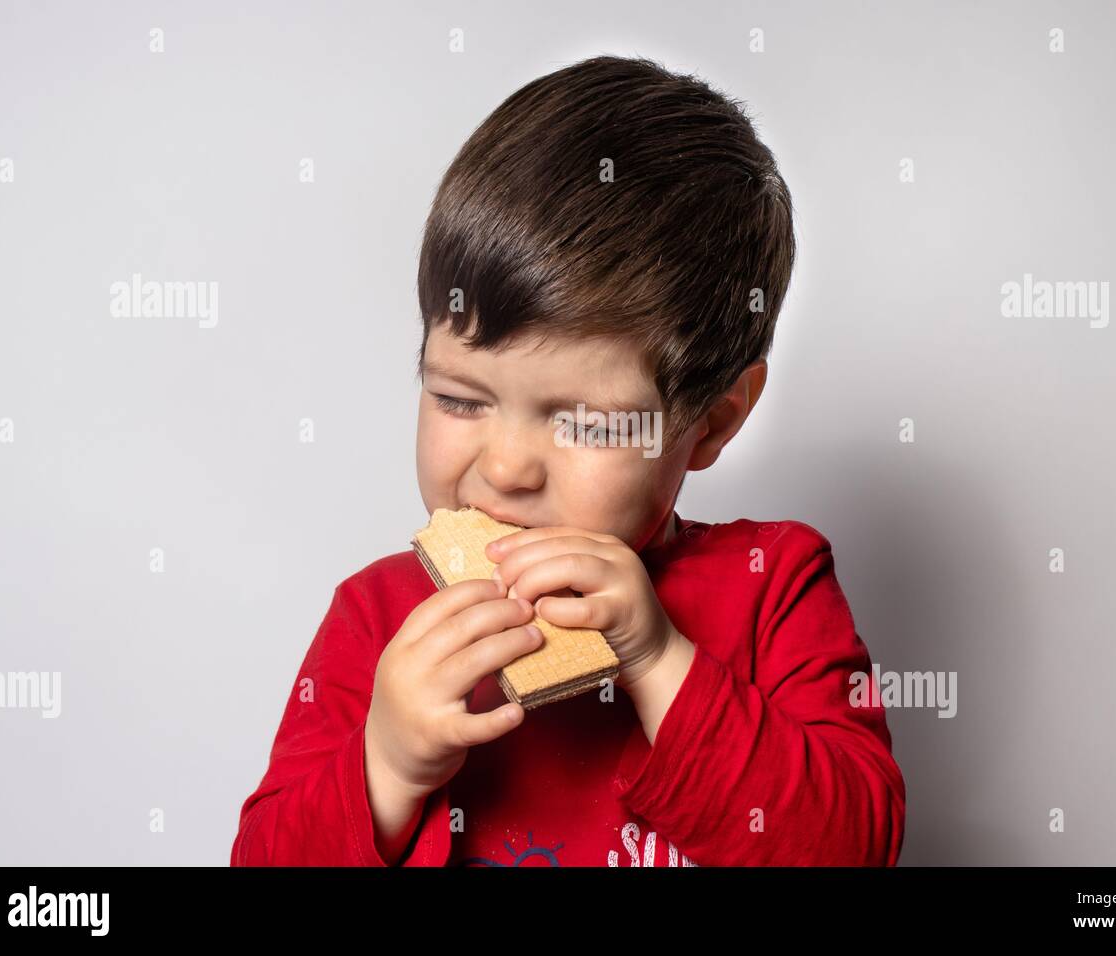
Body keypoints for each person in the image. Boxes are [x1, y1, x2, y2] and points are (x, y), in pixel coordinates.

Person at [231, 54, 905, 867]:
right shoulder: (378, 621)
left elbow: (852, 849)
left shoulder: (775, 587)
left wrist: (660, 661)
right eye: (460, 399)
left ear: (712, 422)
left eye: (584, 423)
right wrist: (384, 765)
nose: (508, 467)